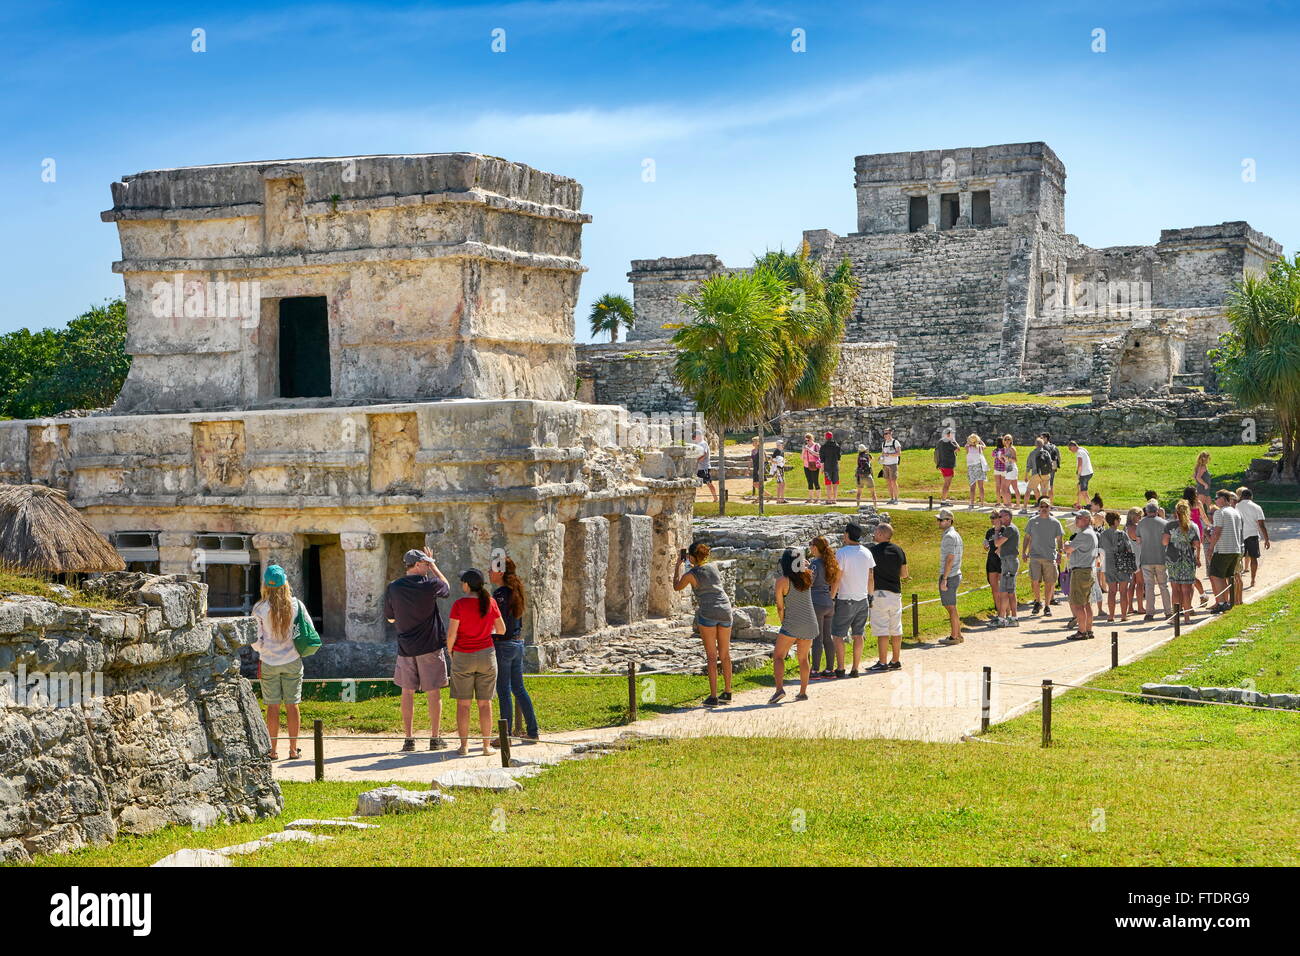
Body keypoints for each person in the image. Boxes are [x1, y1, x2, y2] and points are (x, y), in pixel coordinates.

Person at [384, 547, 452, 753]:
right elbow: (447, 588)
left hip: (406, 646)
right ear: (418, 564)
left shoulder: (393, 587)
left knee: (407, 691)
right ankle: (434, 738)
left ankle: (409, 739)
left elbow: (390, 617)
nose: (428, 566)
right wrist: (435, 567)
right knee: (433, 691)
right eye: (426, 563)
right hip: (430, 646)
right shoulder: (430, 585)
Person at [447, 568, 505, 756]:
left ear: (466, 584)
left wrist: (450, 650)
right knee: (485, 703)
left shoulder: (459, 605)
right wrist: (486, 632)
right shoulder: (490, 602)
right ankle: (486, 746)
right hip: (486, 655)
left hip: (463, 655)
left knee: (463, 704)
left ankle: (464, 746)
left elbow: (452, 633)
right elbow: (502, 629)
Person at [252, 565, 305, 761]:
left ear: (265, 584)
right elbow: (308, 631)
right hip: (292, 659)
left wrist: (264, 649)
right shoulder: (296, 605)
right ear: (285, 583)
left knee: (272, 707)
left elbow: (254, 640)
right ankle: (293, 749)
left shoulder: (259, 608)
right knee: (293, 705)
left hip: (269, 661)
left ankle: (272, 750)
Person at [673, 541, 734, 706]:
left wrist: (678, 565)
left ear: (691, 557)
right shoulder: (713, 567)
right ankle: (728, 692)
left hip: (708, 612)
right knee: (725, 654)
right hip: (725, 609)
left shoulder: (690, 575)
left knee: (712, 656)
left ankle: (713, 696)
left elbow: (677, 587)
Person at [491, 554, 538, 742]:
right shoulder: (515, 591)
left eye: (491, 569)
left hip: (503, 644)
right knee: (519, 688)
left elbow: (498, 623)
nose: (489, 572)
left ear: (500, 571)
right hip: (517, 643)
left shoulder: (500, 594)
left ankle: (506, 735)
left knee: (503, 690)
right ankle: (533, 731)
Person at [771, 548, 818, 702]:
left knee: (778, 656)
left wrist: (783, 621)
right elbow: (807, 567)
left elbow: (779, 606)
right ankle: (803, 692)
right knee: (803, 658)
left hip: (792, 622)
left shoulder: (782, 581)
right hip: (810, 621)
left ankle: (779, 690)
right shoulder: (808, 576)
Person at [834, 523, 877, 675]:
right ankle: (855, 668)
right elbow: (871, 576)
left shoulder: (842, 553)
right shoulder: (867, 553)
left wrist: (832, 596)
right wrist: (870, 595)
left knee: (838, 634)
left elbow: (838, 577)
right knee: (858, 634)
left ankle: (840, 668)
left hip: (845, 598)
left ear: (847, 534)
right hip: (863, 598)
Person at [868, 523, 908, 667]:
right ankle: (896, 660)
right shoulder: (899, 550)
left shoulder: (872, 551)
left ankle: (882, 661)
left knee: (882, 628)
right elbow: (904, 574)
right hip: (895, 593)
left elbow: (870, 575)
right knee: (896, 628)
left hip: (879, 593)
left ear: (880, 534)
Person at [1163, 500, 1201, 627]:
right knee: (1186, 589)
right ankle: (1187, 617)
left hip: (1173, 559)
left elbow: (1164, 542)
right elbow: (1196, 544)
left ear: (1176, 512)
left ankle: (1175, 617)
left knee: (1175, 589)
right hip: (1188, 559)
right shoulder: (1193, 526)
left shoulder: (1170, 526)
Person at [1023, 498, 1063, 615]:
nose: (1044, 509)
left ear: (1050, 508)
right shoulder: (1032, 521)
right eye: (1042, 507)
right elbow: (1027, 537)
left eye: (1046, 507)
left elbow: (1060, 539)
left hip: (1050, 556)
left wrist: (1060, 553)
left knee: (1049, 582)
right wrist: (1024, 552)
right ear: (1039, 508)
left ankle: (1047, 606)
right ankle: (1037, 602)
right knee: (1035, 580)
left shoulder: (1055, 522)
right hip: (1035, 556)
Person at [808, 536, 841, 679]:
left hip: (816, 603)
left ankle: (815, 670)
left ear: (815, 547)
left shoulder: (814, 564)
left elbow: (809, 582)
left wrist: (805, 570)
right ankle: (829, 669)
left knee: (817, 638)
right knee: (828, 637)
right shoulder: (830, 563)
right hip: (829, 602)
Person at [1208, 489, 1244, 613]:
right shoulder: (1236, 512)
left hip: (1223, 549)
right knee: (1225, 576)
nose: (1215, 500)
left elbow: (1217, 532)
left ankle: (1222, 603)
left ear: (1223, 499)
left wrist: (1211, 548)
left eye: (1216, 497)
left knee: (1215, 575)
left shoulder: (1220, 513)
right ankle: (1226, 602)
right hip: (1235, 549)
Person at [1063, 510, 1098, 640]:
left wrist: (1066, 544)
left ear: (1087, 519)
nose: (1076, 520)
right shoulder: (1090, 533)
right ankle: (1088, 630)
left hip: (1080, 571)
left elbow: (1068, 549)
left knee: (1078, 604)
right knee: (1086, 604)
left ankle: (1082, 632)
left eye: (1079, 518)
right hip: (1087, 570)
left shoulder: (1084, 534)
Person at [1136, 501, 1171, 622]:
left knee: (1149, 586)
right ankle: (1168, 611)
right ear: (1157, 511)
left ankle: (1149, 612)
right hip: (1161, 557)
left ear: (1146, 511)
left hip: (1146, 558)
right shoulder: (1164, 523)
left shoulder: (1140, 523)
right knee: (1163, 586)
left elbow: (1138, 540)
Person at [1098, 511, 1134, 621]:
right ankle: (1123, 616)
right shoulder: (1122, 534)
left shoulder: (1103, 534)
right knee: (1123, 591)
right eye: (1119, 520)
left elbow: (1101, 549)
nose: (1120, 522)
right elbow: (1129, 549)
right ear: (1115, 521)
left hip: (1109, 564)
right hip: (1122, 563)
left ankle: (1111, 616)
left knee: (1111, 591)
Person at [936, 508, 964, 644]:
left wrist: (944, 579)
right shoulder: (955, 534)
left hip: (950, 576)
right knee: (952, 606)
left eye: (940, 520)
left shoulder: (949, 536)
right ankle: (958, 634)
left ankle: (954, 637)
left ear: (949, 521)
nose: (938, 522)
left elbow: (950, 558)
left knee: (950, 607)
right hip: (955, 573)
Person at [1235, 486, 1270, 588]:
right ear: (1251, 497)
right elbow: (1261, 525)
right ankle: (1253, 580)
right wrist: (1266, 539)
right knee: (1253, 558)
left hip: (1240, 535)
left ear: (1241, 496)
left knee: (1238, 559)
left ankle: (1238, 580)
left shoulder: (1237, 506)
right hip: (1252, 534)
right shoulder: (1257, 507)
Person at [992, 508, 1020, 627]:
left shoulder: (1010, 529)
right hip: (1007, 561)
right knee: (1006, 591)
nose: (999, 518)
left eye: (1001, 516)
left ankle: (1009, 618)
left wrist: (997, 529)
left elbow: (997, 543)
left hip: (1010, 561)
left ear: (1008, 516)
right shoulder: (1009, 529)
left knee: (1008, 591)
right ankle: (1006, 618)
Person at [1124, 508, 1146, 616]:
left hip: (1129, 557)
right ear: (1134, 516)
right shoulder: (1135, 527)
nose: (1140, 518)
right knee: (1140, 583)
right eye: (1139, 516)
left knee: (1132, 583)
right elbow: (1141, 541)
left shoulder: (1125, 527)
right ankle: (1140, 607)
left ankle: (1130, 607)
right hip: (1137, 557)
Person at [934, 427, 960, 507]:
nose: (953, 435)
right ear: (949, 434)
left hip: (942, 465)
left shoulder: (940, 441)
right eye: (952, 433)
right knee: (947, 484)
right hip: (948, 465)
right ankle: (943, 501)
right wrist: (954, 441)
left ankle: (944, 499)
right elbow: (958, 449)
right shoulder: (948, 442)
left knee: (946, 483)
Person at [879, 427, 902, 504]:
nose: (885, 435)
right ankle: (891, 498)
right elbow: (883, 453)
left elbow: (899, 453)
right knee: (888, 482)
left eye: (886, 433)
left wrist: (889, 454)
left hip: (893, 464)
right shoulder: (883, 443)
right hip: (885, 464)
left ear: (890, 433)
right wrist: (881, 458)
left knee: (893, 481)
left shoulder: (895, 442)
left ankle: (896, 499)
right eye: (884, 433)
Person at [965, 433, 988, 510]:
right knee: (981, 487)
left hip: (971, 468)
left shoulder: (967, 447)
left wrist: (971, 441)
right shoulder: (980, 447)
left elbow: (967, 443)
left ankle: (972, 503)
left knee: (972, 487)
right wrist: (980, 441)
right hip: (979, 467)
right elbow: (985, 446)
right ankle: (982, 503)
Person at [1068, 441, 1094, 509]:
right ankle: (1078, 504)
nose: (1070, 451)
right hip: (1089, 472)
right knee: (1079, 486)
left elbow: (1080, 464)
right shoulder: (1083, 449)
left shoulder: (1079, 453)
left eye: (1070, 449)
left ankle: (1089, 505)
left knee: (1083, 491)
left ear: (1073, 446)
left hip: (1084, 474)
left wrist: (1078, 474)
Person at [1026, 437, 1052, 505]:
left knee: (1028, 490)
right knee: (1044, 493)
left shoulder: (1032, 453)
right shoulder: (1046, 452)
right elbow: (1050, 463)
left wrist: (1026, 476)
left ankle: (1024, 508)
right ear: (1043, 444)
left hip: (1036, 474)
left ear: (1035, 444)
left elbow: (1028, 466)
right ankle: (1044, 507)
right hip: (1046, 474)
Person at [983, 511, 1002, 600]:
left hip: (1002, 560)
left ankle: (1006, 608)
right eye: (991, 517)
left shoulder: (1005, 530)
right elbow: (986, 544)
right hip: (992, 559)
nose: (992, 519)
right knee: (994, 587)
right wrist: (985, 546)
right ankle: (997, 607)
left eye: (994, 517)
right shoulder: (989, 531)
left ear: (1000, 518)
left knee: (1003, 586)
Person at [693, 431, 717, 502]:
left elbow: (704, 454)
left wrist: (697, 460)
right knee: (694, 483)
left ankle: (716, 498)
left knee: (709, 483)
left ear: (699, 436)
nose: (694, 438)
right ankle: (693, 499)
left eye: (695, 437)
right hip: (699, 468)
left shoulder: (703, 443)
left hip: (704, 467)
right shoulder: (698, 444)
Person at [1001, 435, 1023, 512]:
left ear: (1011, 440)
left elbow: (1015, 460)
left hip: (1011, 469)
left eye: (1008, 439)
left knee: (1006, 487)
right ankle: (1016, 504)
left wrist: (1006, 457)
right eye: (1005, 439)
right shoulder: (1006, 449)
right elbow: (1006, 461)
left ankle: (1010, 504)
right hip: (1009, 468)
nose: (1007, 440)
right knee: (1014, 487)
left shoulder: (1012, 448)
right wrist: (1002, 459)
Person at [820, 431, 843, 504]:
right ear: (832, 437)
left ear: (825, 437)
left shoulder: (823, 447)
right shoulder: (837, 446)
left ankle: (829, 499)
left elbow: (822, 460)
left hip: (827, 468)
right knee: (835, 484)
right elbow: (839, 458)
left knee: (828, 484)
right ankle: (834, 499)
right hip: (835, 467)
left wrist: (822, 468)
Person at [854, 443, 877, 509]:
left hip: (860, 476)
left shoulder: (858, 457)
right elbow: (872, 459)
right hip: (868, 476)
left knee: (859, 493)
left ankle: (857, 506)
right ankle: (875, 506)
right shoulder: (867, 456)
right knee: (873, 493)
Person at [801, 433, 823, 504]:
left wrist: (809, 450)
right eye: (806, 441)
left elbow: (819, 454)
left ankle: (818, 498)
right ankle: (810, 498)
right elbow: (801, 458)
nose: (807, 442)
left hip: (814, 465)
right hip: (806, 465)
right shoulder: (805, 447)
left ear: (811, 439)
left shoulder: (816, 445)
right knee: (809, 482)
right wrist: (804, 451)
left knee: (815, 481)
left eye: (808, 440)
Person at [992, 435, 1008, 507]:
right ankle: (1005, 502)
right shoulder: (1005, 450)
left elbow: (993, 456)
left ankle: (998, 502)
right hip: (1004, 469)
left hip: (996, 469)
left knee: (997, 486)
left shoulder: (995, 450)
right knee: (1003, 487)